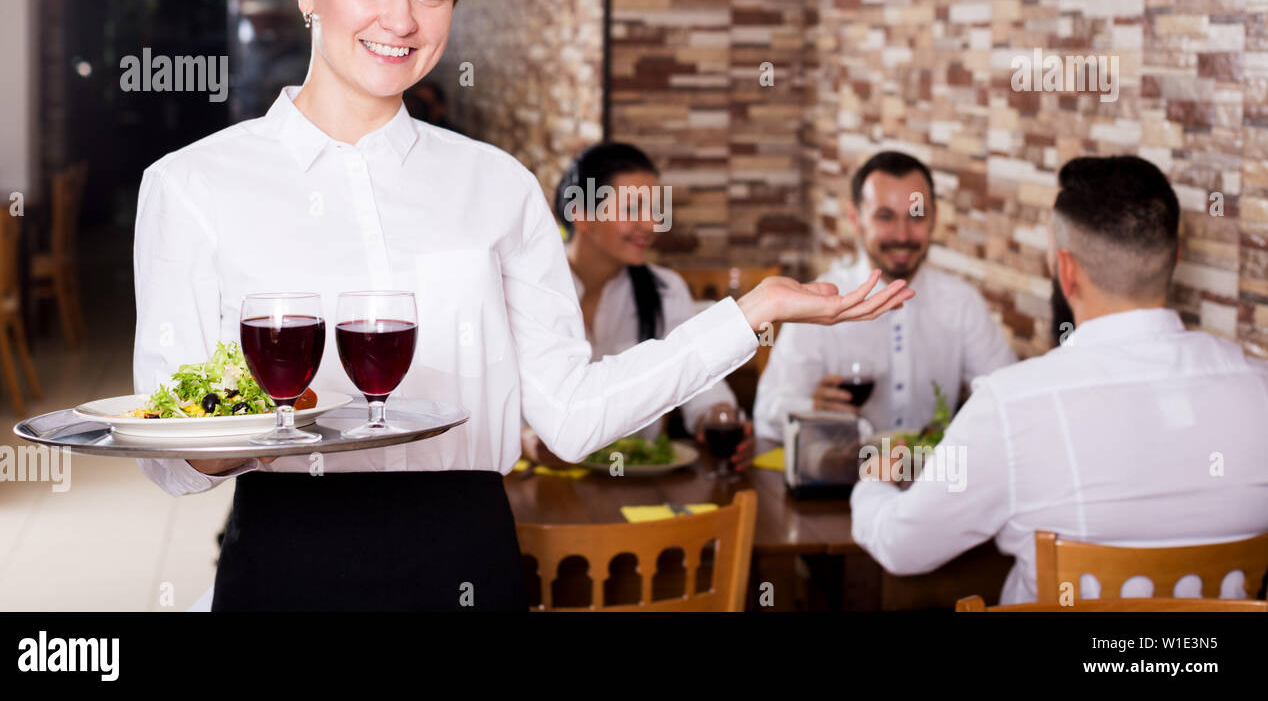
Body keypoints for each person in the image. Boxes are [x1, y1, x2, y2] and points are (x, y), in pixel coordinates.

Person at [131, 0, 915, 611]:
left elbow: (572, 415)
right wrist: (258, 424)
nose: (400, 19)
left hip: (466, 552)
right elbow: (181, 459)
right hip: (287, 552)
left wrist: (750, 312)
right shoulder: (193, 186)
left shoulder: (497, 185)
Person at [852, 155, 1268, 604]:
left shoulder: (1011, 406)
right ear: (1175, 259)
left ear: (1065, 270)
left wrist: (873, 480)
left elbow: (902, 546)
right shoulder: (1258, 388)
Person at [521, 142, 752, 472]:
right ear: (583, 214)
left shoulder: (665, 290)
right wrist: (524, 440)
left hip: (638, 483)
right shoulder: (530, 288)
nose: (652, 225)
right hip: (543, 483)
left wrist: (719, 418)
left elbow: (704, 388)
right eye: (632, 210)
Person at [753, 151, 1015, 442]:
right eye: (885, 217)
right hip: (842, 479)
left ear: (933, 219)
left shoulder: (962, 303)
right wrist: (811, 408)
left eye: (916, 216)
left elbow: (1010, 397)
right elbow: (766, 414)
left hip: (930, 480)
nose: (902, 235)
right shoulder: (819, 301)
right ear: (856, 219)